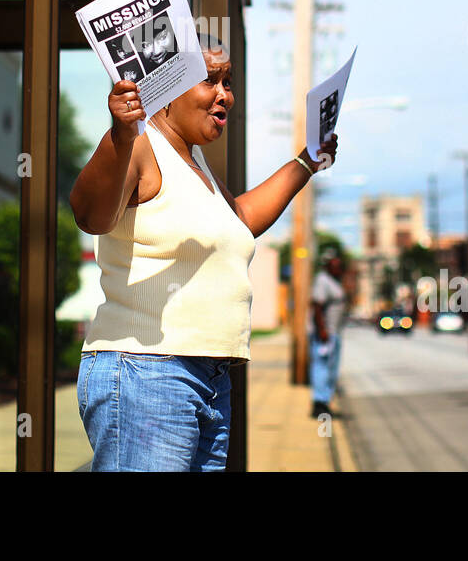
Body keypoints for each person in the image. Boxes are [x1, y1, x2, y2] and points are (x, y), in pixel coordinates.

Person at [70, 34, 338, 471]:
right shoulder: (139, 145)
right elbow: (89, 214)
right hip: (148, 373)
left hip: (207, 377)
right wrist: (120, 133)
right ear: (168, 88)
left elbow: (242, 218)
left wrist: (307, 162)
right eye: (209, 80)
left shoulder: (194, 164)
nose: (225, 95)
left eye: (228, 82)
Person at [310, 249, 347, 418]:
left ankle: (325, 401)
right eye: (336, 266)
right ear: (328, 266)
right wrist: (322, 330)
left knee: (331, 369)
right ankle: (319, 403)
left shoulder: (334, 281)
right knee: (322, 368)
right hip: (325, 334)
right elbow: (317, 306)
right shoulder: (323, 281)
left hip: (333, 333)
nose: (339, 269)